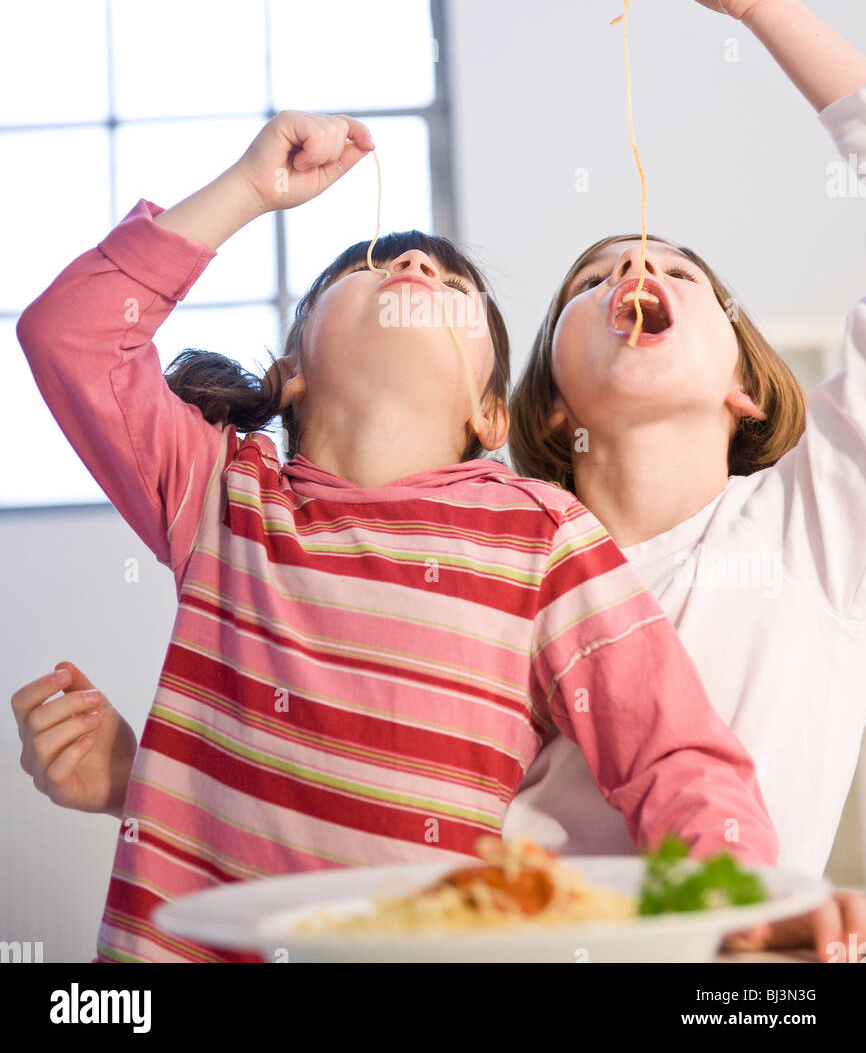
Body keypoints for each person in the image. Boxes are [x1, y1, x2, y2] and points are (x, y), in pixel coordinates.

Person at [13, 106, 777, 963]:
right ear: (292, 372)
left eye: (454, 287)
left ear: (489, 411)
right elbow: (67, 334)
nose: (414, 264)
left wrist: (741, 915)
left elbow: (672, 756)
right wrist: (247, 190)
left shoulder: (545, 534)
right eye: (371, 263)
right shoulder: (221, 497)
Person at [502, 0, 866, 958]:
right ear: (551, 402)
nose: (636, 268)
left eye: (680, 273)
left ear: (744, 389)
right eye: (592, 277)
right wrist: (138, 780)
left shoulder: (815, 526)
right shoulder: (491, 567)